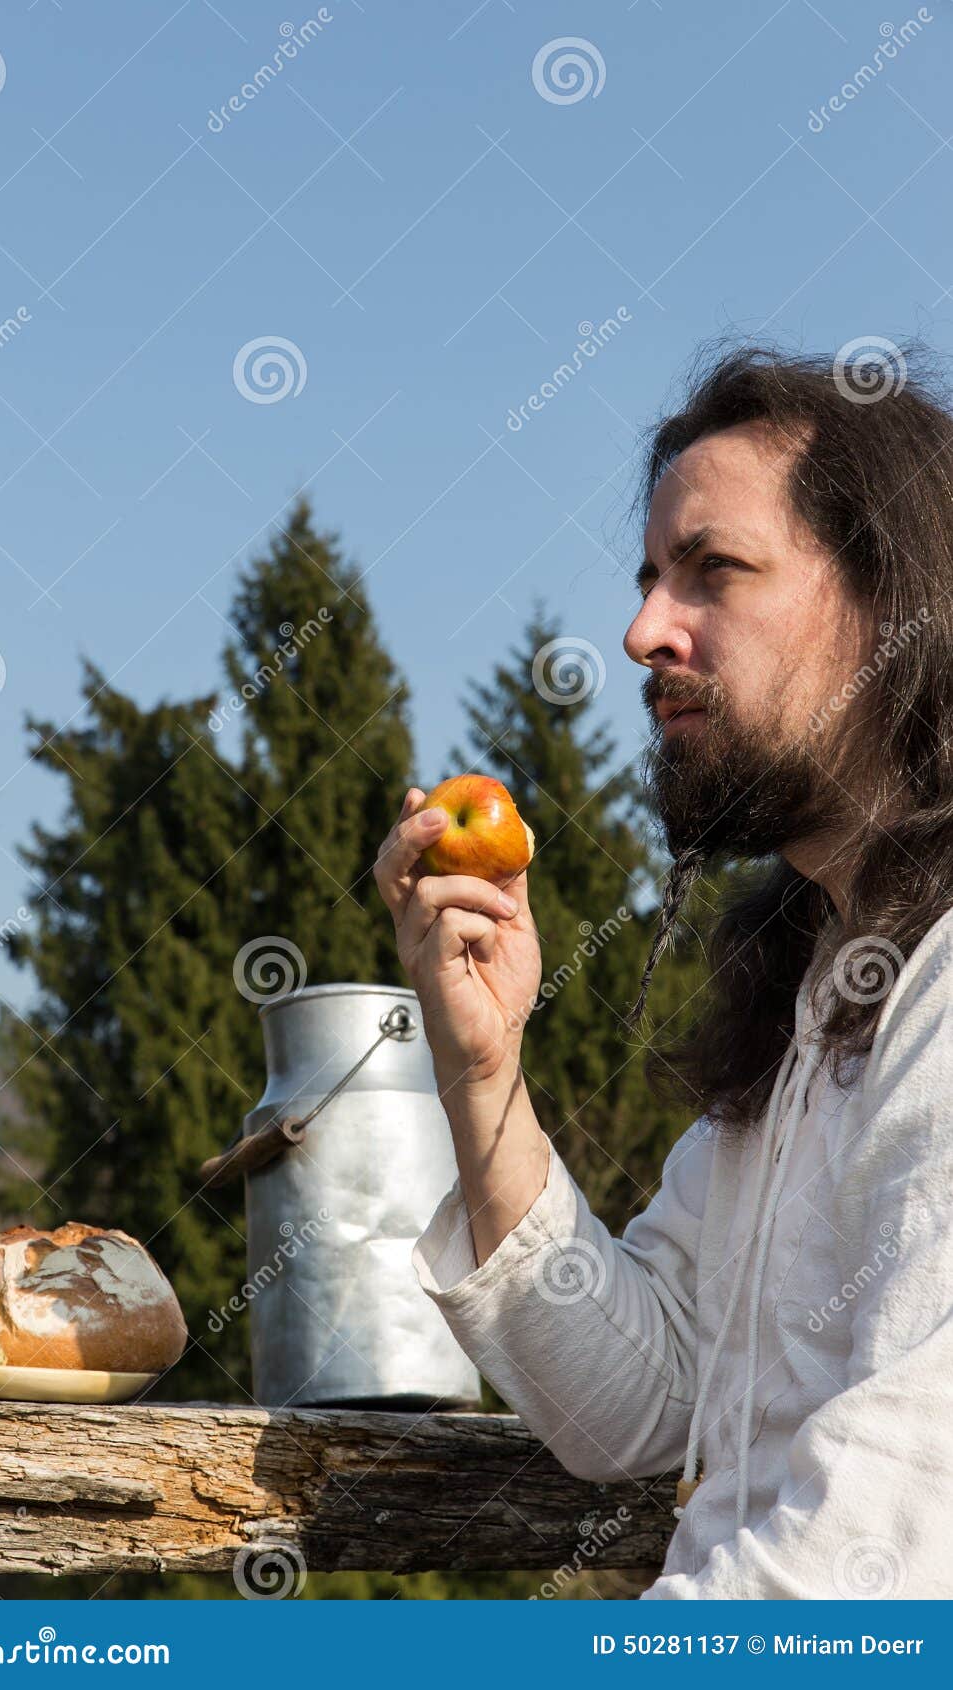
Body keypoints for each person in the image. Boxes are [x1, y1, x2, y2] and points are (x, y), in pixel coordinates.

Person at [373, 343, 953, 1599]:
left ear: (888, 603)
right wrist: (483, 1071)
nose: (642, 632)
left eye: (714, 573)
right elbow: (635, 1403)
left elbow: (890, 1549)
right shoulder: (814, 991)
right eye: (646, 580)